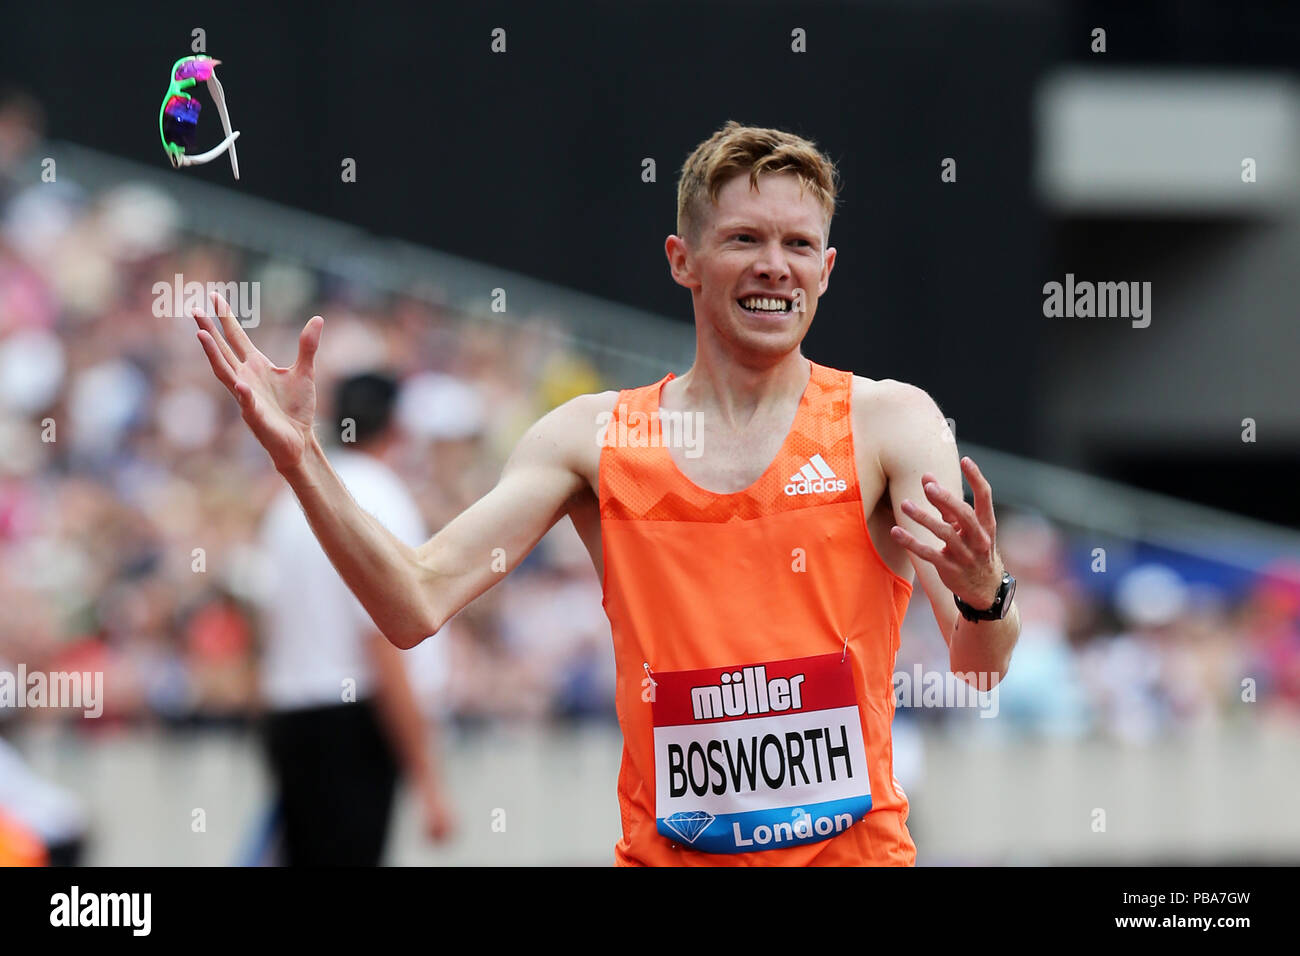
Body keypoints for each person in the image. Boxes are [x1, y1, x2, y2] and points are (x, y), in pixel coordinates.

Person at [193, 121, 1021, 866]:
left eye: (799, 244)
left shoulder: (890, 423)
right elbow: (414, 602)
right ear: (682, 260)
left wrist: (986, 595)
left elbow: (980, 670)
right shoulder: (590, 439)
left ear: (827, 269)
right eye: (744, 238)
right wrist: (302, 459)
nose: (775, 264)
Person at [255, 371, 455, 865]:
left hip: (291, 718)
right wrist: (427, 778)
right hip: (354, 726)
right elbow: (384, 639)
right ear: (397, 427)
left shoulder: (291, 501)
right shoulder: (381, 498)